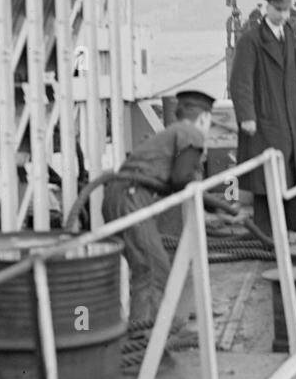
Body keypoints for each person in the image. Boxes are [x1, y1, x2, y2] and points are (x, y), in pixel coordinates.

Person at [102, 90, 239, 337]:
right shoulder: (191, 134)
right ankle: (146, 339)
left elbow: (179, 182)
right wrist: (223, 207)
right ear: (204, 119)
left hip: (119, 196)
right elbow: (181, 179)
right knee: (154, 269)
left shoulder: (170, 134)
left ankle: (142, 334)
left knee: (145, 267)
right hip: (132, 197)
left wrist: (217, 208)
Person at [231, 0, 296, 242]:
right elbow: (240, 82)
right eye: (279, 10)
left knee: (293, 166)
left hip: (289, 113)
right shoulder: (251, 40)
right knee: (266, 177)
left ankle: (295, 222)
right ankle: (266, 231)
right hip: (266, 116)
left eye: (286, 10)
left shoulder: (287, 34)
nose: (283, 15)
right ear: (267, 7)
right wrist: (247, 116)